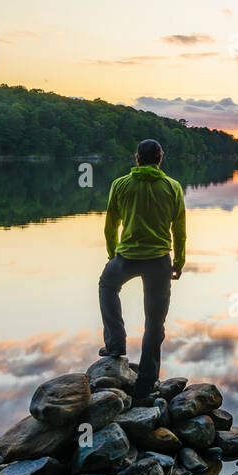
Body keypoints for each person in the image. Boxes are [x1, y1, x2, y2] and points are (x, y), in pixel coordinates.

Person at [98, 138, 185, 398]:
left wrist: (113, 255)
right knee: (155, 324)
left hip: (126, 257)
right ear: (160, 157)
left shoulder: (120, 185)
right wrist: (179, 262)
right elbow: (179, 230)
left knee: (107, 285)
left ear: (137, 157)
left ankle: (115, 344)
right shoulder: (173, 187)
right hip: (159, 261)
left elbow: (110, 225)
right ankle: (146, 383)